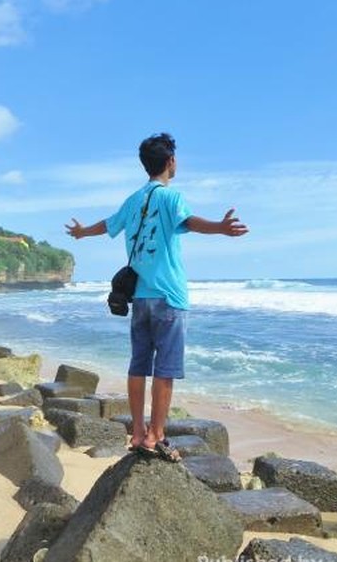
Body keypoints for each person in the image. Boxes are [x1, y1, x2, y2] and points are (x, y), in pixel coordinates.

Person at [65, 133, 248, 461]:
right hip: (169, 296)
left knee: (138, 365)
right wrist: (220, 228)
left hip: (140, 298)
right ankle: (156, 435)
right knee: (165, 369)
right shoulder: (170, 197)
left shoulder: (133, 200)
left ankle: (137, 432)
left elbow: (108, 225)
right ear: (171, 162)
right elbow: (189, 222)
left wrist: (81, 232)